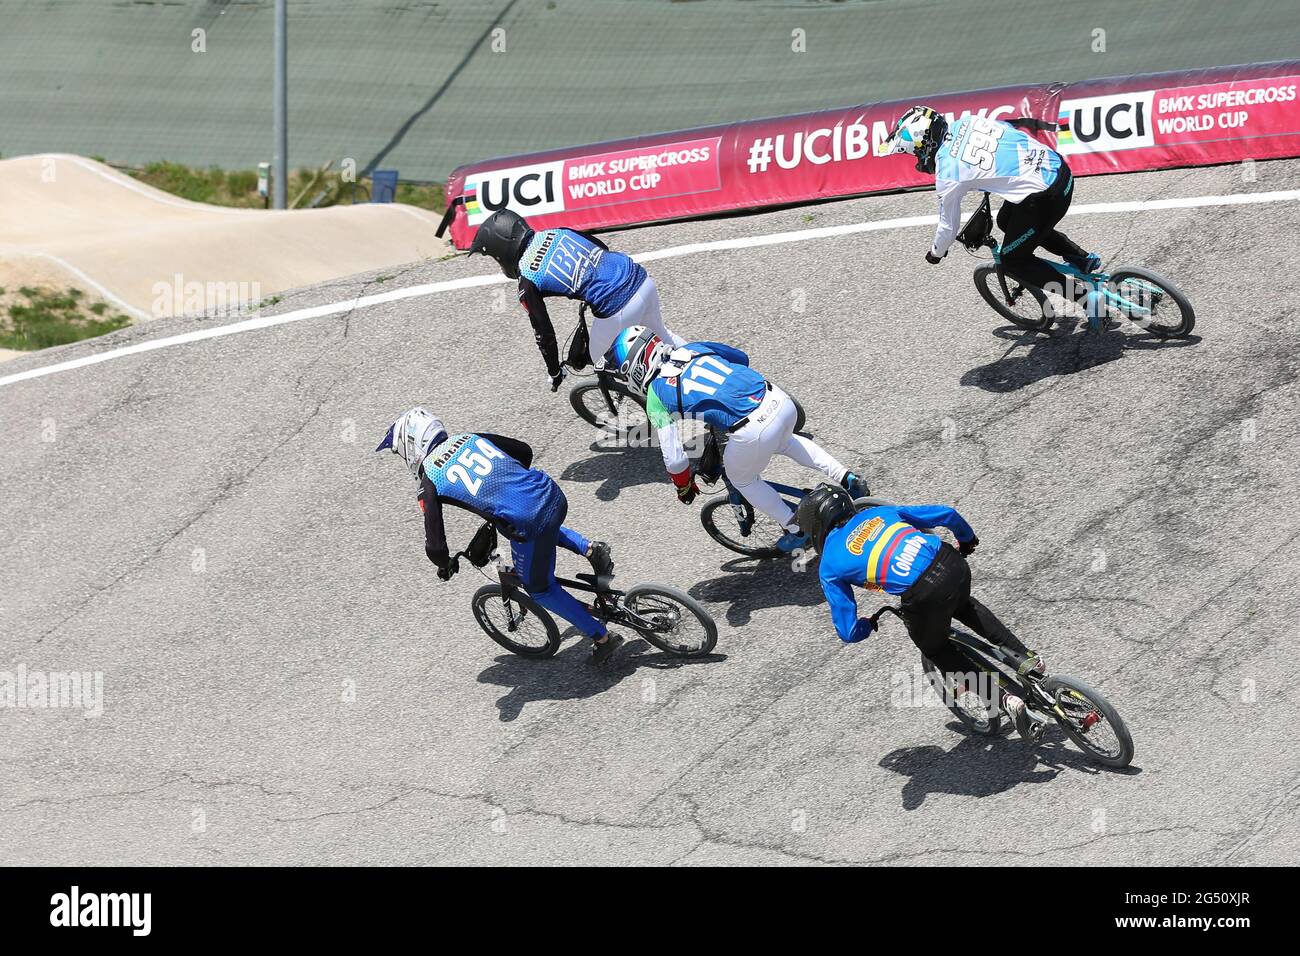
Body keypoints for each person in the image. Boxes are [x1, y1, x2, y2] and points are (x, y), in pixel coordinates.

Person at [794, 484, 1047, 739]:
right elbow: (946, 513)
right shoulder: (876, 513)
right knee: (965, 605)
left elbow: (848, 631)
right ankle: (1028, 659)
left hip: (924, 593)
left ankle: (1003, 699)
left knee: (936, 649)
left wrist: (868, 625)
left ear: (817, 525)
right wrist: (967, 540)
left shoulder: (829, 564)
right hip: (950, 561)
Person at [376, 406, 623, 663]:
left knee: (540, 589)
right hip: (551, 493)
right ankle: (590, 548)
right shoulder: (468, 438)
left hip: (529, 522)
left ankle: (602, 638)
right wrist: (509, 484)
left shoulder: (430, 478)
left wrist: (444, 564)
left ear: (411, 445)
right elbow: (524, 451)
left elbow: (435, 545)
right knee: (534, 528)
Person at [608, 327, 868, 552]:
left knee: (742, 479)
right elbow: (740, 358)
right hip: (777, 399)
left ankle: (796, 530)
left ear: (636, 368)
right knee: (787, 441)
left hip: (752, 427)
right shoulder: (691, 349)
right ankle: (849, 479)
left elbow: (675, 459)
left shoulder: (656, 396)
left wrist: (683, 486)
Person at [877, 105, 1100, 293]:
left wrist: (936, 253)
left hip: (1046, 197)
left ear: (925, 145)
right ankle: (1081, 258)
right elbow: (1007, 133)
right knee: (1005, 221)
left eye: (916, 153)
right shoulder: (968, 121)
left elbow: (948, 226)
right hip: (1060, 169)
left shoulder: (947, 172)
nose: (918, 158)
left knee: (1013, 261)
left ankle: (1085, 299)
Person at [468, 209, 686, 391]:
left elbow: (544, 333)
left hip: (618, 305)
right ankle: (700, 361)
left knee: (601, 359)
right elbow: (600, 247)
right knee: (665, 337)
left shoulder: (527, 280)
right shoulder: (556, 232)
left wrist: (554, 371)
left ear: (501, 251)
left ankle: (665, 399)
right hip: (640, 278)